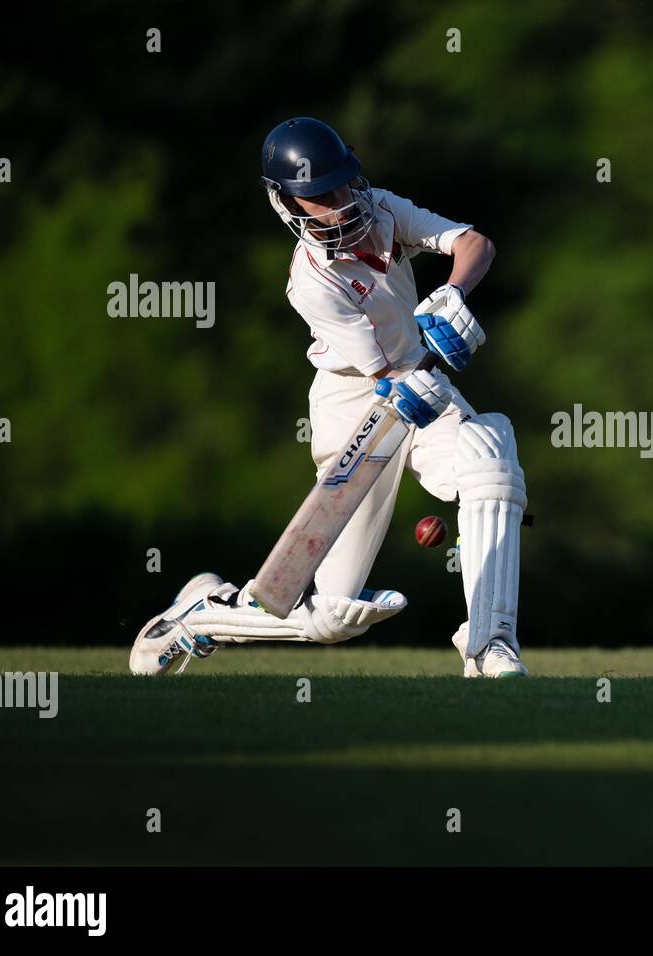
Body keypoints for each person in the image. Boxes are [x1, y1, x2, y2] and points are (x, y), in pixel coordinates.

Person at [129, 117, 528, 679]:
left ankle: (490, 644)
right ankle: (202, 617)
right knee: (334, 615)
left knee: (491, 459)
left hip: (417, 376)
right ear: (287, 203)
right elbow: (388, 380)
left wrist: (453, 294)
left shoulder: (384, 208)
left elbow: (473, 243)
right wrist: (434, 345)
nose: (342, 202)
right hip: (356, 401)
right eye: (321, 196)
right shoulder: (312, 282)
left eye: (343, 183)